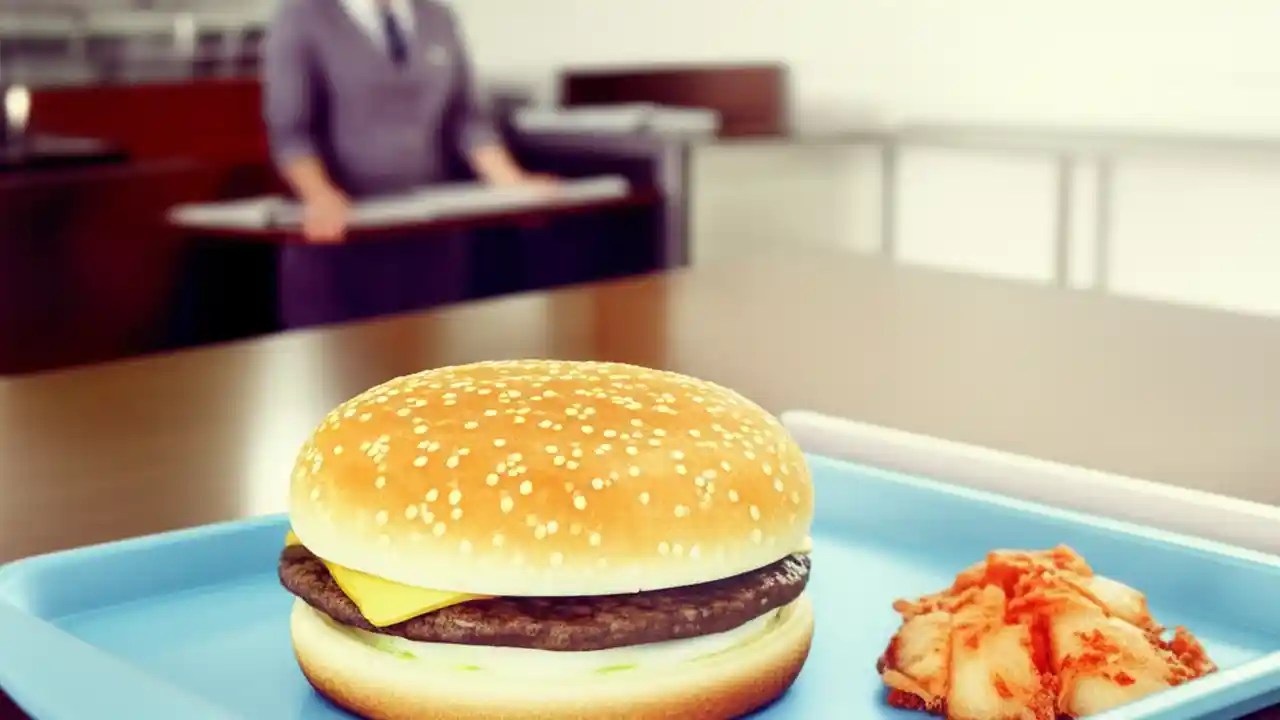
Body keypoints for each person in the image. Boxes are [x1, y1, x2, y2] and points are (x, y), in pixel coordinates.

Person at [260, 0, 551, 326]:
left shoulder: (436, 16)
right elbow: (291, 131)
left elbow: (467, 120)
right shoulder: (302, 16)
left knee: (427, 366)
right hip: (344, 239)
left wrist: (511, 183)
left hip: (430, 236)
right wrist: (319, 194)